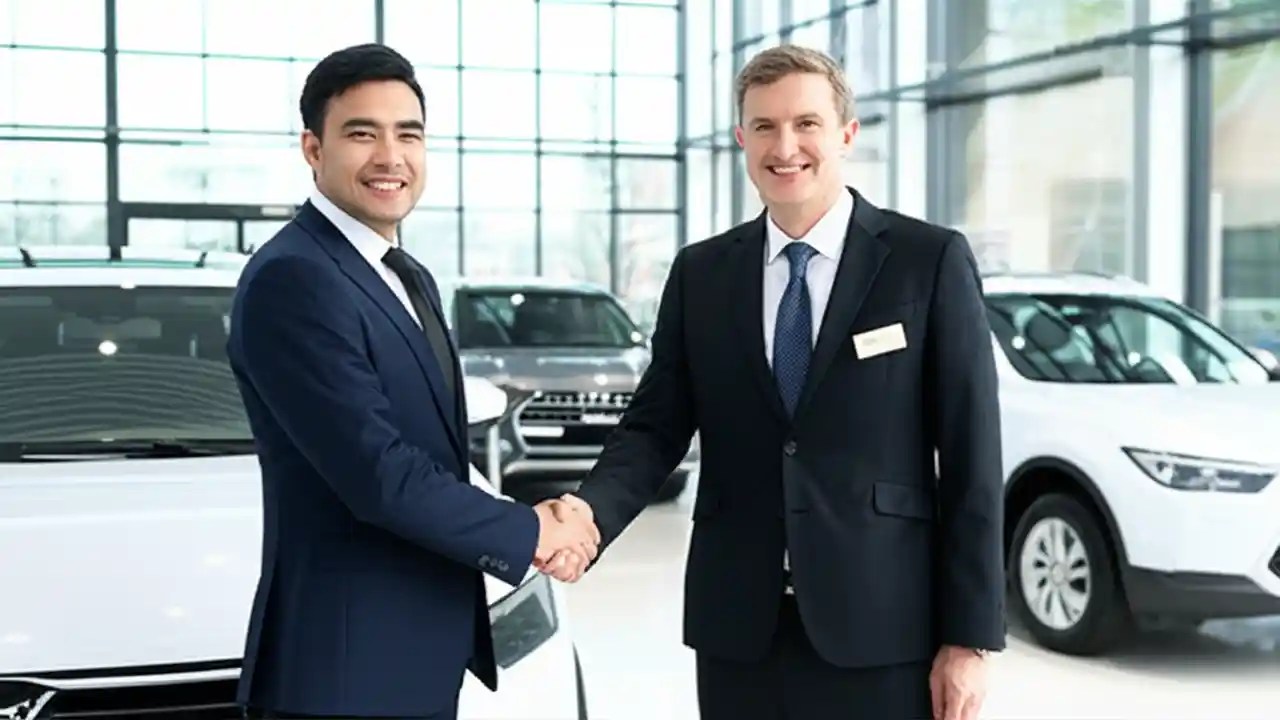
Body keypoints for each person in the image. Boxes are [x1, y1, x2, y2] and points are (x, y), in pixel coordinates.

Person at [542, 44, 1006, 720]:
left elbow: (972, 456)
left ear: (846, 135)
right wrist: (589, 514)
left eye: (806, 124)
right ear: (741, 139)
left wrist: (970, 638)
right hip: (739, 627)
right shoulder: (702, 273)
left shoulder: (924, 261)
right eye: (763, 126)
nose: (784, 146)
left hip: (883, 624)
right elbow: (655, 426)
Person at [226, 43, 598, 720]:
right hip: (343, 666)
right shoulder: (295, 278)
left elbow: (431, 447)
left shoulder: (405, 275)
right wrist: (532, 532)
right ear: (313, 148)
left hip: (406, 649)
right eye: (361, 133)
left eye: (409, 134)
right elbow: (379, 474)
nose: (390, 157)